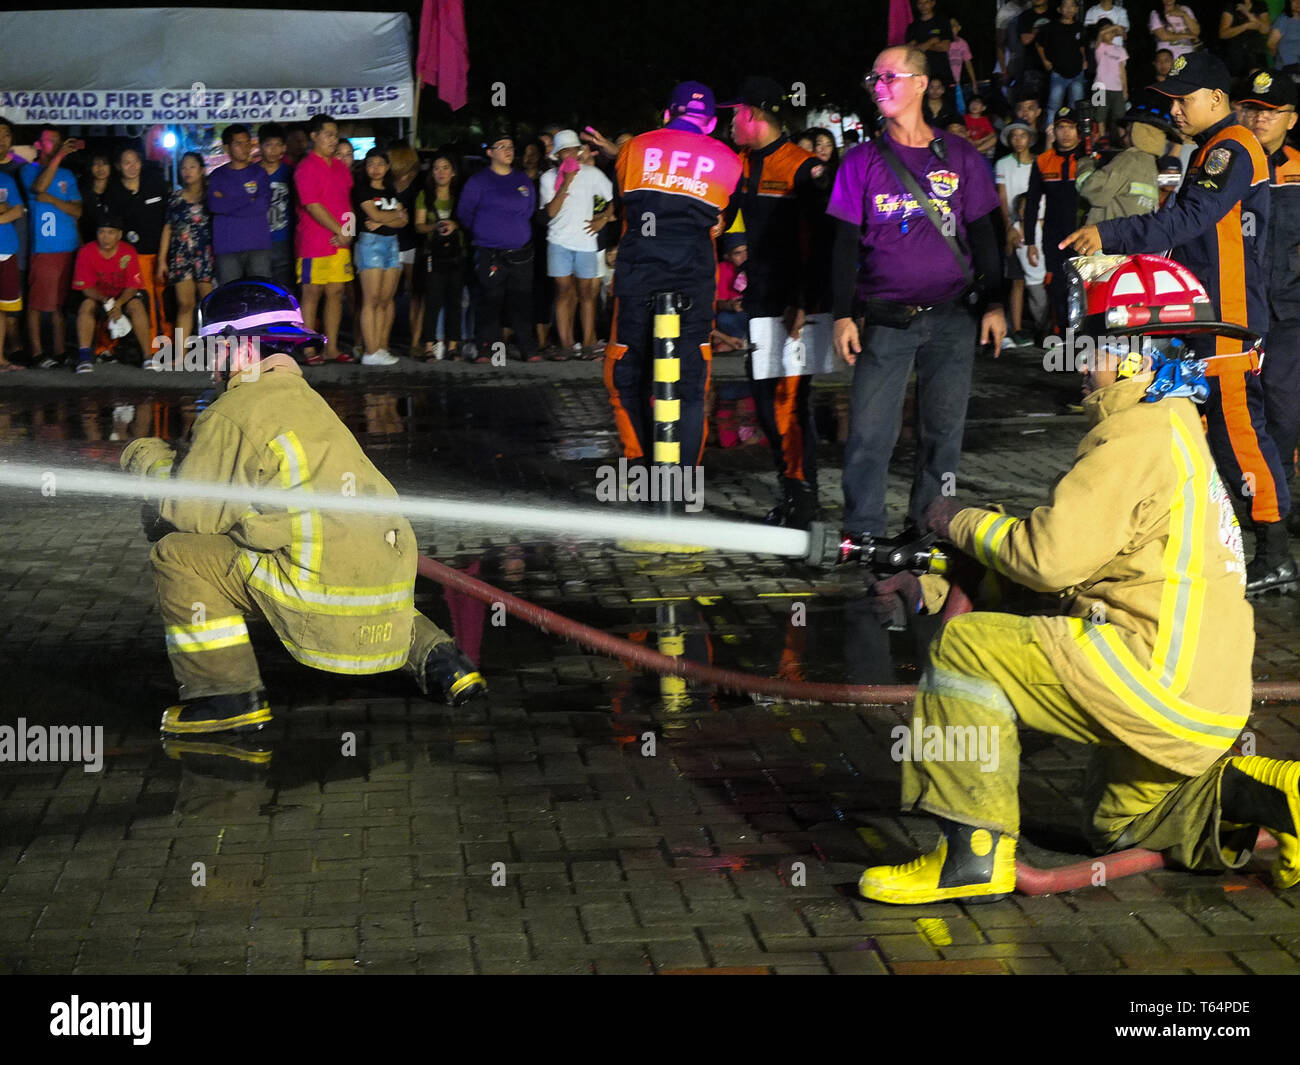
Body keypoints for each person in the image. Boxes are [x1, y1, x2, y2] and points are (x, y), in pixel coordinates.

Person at [857, 253, 1298, 906]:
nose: (1078, 361)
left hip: (1156, 679)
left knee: (965, 651)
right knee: (1118, 823)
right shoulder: (1174, 432)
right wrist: (936, 585)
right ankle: (1278, 792)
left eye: (1090, 347)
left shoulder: (1136, 438)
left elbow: (1048, 558)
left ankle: (971, 856)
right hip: (1206, 701)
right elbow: (1077, 572)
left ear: (1133, 357)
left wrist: (958, 521)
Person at [119, 279, 486, 736]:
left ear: (241, 350)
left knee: (177, 555)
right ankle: (444, 663)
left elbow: (190, 511)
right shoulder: (311, 402)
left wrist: (147, 461)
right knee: (350, 557)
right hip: (386, 579)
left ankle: (224, 697)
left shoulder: (235, 408)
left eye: (215, 349)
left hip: (323, 596)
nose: (211, 364)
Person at [1060, 51, 1294, 595]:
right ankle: (1219, 539)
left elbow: (1189, 219)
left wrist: (1111, 236)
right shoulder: (1215, 147)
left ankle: (1276, 552)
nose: (1176, 110)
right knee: (1207, 433)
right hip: (1208, 310)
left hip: (1228, 315)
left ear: (1216, 99)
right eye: (1172, 99)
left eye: (1184, 99)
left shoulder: (1230, 147)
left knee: (1240, 433)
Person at [828, 46, 1006, 541]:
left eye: (890, 76)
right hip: (886, 321)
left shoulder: (961, 155)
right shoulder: (861, 160)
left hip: (954, 318)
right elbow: (843, 244)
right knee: (868, 434)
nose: (878, 85)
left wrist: (994, 302)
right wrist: (842, 314)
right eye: (873, 77)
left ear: (923, 84)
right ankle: (862, 535)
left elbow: (985, 234)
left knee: (943, 435)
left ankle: (927, 531)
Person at [583, 82, 743, 478]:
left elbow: (627, 200)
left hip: (640, 271)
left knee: (626, 371)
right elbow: (720, 218)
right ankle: (683, 475)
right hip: (694, 276)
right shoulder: (728, 158)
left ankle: (639, 465)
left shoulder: (636, 148)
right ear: (710, 122)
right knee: (691, 380)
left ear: (667, 114)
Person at [723, 76, 829, 529]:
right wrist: (735, 242)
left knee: (791, 405)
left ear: (752, 115)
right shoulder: (742, 164)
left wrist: (803, 301)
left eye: (735, 114)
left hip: (793, 307)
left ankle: (805, 504)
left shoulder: (802, 167)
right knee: (767, 405)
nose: (730, 122)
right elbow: (727, 214)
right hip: (760, 302)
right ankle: (791, 496)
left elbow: (821, 242)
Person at [1242, 71, 1300, 538]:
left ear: (1291, 118)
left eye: (1271, 111)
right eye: (1253, 109)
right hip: (1240, 311)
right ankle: (1260, 502)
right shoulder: (1230, 165)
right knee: (1245, 409)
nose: (1259, 118)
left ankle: (1275, 513)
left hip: (1291, 313)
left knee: (1283, 410)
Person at [457, 133, 541, 363]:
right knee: (490, 300)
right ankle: (485, 348)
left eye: (511, 146)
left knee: (521, 301)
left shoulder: (523, 181)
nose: (508, 150)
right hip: (489, 252)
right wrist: (485, 231)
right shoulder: (478, 182)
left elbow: (529, 209)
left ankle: (528, 348)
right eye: (502, 146)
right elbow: (465, 213)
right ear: (490, 152)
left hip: (520, 253)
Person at [540, 130, 614, 360]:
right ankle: (567, 344)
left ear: (579, 151)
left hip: (586, 241)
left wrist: (602, 220)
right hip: (558, 241)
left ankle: (589, 343)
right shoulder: (548, 178)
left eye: (573, 149)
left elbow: (612, 202)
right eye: (564, 151)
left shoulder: (593, 174)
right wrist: (567, 181)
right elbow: (550, 212)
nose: (570, 154)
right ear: (557, 155)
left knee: (587, 294)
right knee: (563, 290)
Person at [293, 113, 356, 365]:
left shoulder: (340, 167)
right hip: (314, 241)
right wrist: (339, 230)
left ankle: (331, 347)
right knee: (312, 293)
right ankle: (309, 349)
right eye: (328, 135)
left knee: (336, 292)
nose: (333, 140)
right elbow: (312, 205)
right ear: (314, 136)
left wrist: (348, 233)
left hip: (340, 242)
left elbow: (346, 201)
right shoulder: (306, 167)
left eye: (335, 135)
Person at [22, 126, 82, 368]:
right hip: (45, 248)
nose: (56, 145)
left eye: (59, 142)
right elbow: (38, 188)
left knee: (59, 303)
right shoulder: (30, 170)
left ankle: (59, 351)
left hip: (67, 247)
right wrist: (58, 157)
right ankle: (37, 353)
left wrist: (55, 200)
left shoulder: (67, 174)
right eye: (50, 141)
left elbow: (77, 210)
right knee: (38, 303)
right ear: (39, 145)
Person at [1025, 107, 1085, 331]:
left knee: (1084, 285)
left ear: (1078, 130)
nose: (1066, 133)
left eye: (1071, 127)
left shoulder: (1089, 157)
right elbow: (1031, 204)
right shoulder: (1042, 161)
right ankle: (1061, 336)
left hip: (1084, 234)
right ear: (1053, 131)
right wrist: (1030, 241)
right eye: (1061, 127)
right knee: (1057, 285)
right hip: (1054, 236)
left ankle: (1085, 337)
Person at [70, 214, 152, 373]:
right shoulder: (86, 252)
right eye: (102, 232)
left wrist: (118, 304)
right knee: (86, 305)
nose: (105, 237)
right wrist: (106, 301)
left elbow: (133, 285)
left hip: (123, 298)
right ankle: (85, 357)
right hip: (99, 297)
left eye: (110, 232)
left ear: (119, 235)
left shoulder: (128, 251)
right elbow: (85, 287)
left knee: (136, 305)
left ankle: (148, 357)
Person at [103, 146, 170, 342]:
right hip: (135, 257)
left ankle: (170, 342)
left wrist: (166, 255)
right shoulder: (114, 193)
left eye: (136, 161)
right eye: (127, 162)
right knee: (144, 300)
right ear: (118, 166)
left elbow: (169, 219)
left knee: (166, 300)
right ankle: (150, 345)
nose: (132, 166)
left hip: (162, 254)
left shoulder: (155, 184)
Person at [1076, 92, 1172, 222]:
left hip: (1107, 237)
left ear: (1138, 133)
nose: (1123, 137)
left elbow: (1092, 190)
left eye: (1128, 132)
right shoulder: (1152, 168)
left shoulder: (1130, 159)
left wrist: (1085, 162)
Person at [352, 147, 406, 366]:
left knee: (385, 300)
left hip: (392, 244)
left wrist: (383, 220)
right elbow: (374, 215)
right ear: (365, 168)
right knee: (371, 299)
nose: (375, 169)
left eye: (380, 164)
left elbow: (404, 221)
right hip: (370, 245)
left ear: (387, 167)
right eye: (371, 164)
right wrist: (394, 216)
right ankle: (370, 350)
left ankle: (382, 347)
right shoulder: (361, 190)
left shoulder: (391, 190)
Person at [157, 151, 215, 348]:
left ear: (202, 170)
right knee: (185, 305)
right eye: (184, 167)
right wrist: (161, 260)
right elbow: (167, 228)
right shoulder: (175, 198)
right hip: (181, 256)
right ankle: (180, 355)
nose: (187, 171)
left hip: (206, 255)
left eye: (192, 167)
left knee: (210, 305)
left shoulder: (211, 196)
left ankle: (217, 353)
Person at [415, 152, 467, 361]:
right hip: (433, 256)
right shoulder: (424, 195)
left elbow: (469, 219)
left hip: (457, 255)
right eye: (437, 168)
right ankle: (429, 346)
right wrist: (434, 227)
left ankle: (452, 346)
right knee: (433, 302)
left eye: (445, 167)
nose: (441, 172)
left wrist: (456, 225)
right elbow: (418, 226)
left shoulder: (461, 195)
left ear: (453, 172)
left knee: (455, 301)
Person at [208, 125, 271, 284]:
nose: (245, 147)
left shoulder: (260, 173)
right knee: (230, 298)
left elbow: (262, 205)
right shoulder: (217, 176)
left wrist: (228, 201)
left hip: (257, 244)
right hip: (227, 247)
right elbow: (215, 206)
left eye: (247, 142)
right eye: (238, 143)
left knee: (260, 294)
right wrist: (247, 199)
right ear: (226, 148)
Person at [995, 122, 1038, 347]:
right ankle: (1018, 329)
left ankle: (1045, 328)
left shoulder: (1039, 163)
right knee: (1017, 280)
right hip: (1014, 227)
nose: (1019, 140)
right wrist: (1008, 227)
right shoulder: (1002, 164)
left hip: (1038, 226)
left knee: (1041, 281)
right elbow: (1002, 198)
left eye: (1023, 135)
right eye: (1014, 136)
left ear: (1030, 139)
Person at [386, 141, 423, 356]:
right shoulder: (386, 183)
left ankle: (415, 341)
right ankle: (382, 341)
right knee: (385, 296)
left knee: (416, 293)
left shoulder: (418, 184)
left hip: (411, 244)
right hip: (388, 244)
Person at [257, 123, 295, 289]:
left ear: (284, 147)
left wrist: (347, 230)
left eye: (278, 145)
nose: (273, 150)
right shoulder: (252, 173)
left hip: (284, 240)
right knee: (261, 288)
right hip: (257, 241)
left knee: (284, 289)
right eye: (268, 145)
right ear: (260, 147)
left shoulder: (292, 173)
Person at [1039, 0, 1089, 117]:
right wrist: (1045, 61)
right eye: (1065, 6)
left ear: (1076, 9)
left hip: (1077, 72)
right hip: (1058, 72)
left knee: (1077, 106)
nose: (1069, 9)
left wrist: (1084, 59)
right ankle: (1050, 134)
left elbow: (1081, 45)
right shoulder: (1051, 27)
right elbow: (1039, 44)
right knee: (1053, 106)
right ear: (1059, 9)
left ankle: (1075, 133)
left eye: (1072, 6)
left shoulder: (1079, 26)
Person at [0, 159, 25, 370]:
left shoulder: (6, 179)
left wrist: (4, 212)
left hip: (7, 249)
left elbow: (18, 211)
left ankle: (0, 359)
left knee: (2, 309)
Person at [1091, 18, 1130, 142]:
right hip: (1099, 87)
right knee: (1099, 116)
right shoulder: (1099, 47)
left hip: (1117, 88)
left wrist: (1125, 89)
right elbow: (1102, 34)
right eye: (1106, 30)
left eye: (1111, 31)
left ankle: (1124, 143)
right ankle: (1101, 142)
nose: (1108, 33)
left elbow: (1123, 71)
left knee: (1120, 117)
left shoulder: (1120, 50)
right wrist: (1116, 27)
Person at [1218, 0, 1271, 79]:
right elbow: (1223, 34)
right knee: (1238, 84)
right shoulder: (1232, 5)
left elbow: (1265, 29)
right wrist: (1246, 26)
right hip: (1236, 54)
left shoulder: (1260, 4)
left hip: (1256, 53)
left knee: (1258, 83)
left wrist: (1248, 14)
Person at [907, 0, 954, 87]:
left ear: (933, 3)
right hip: (920, 72)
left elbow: (945, 47)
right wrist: (931, 41)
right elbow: (910, 50)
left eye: (926, 2)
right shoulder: (913, 26)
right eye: (920, 3)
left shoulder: (942, 22)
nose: (923, 6)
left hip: (942, 72)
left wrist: (920, 45)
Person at [1269, 0, 1300, 68]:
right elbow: (1271, 44)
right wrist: (1279, 58)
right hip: (1288, 66)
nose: (1298, 3)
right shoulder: (1283, 20)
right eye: (1294, 0)